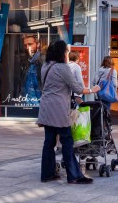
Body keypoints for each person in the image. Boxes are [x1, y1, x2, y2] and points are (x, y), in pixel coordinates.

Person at [37, 40, 98, 184]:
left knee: (49, 142)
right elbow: (76, 88)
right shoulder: (62, 68)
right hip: (59, 109)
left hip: (46, 107)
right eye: (66, 51)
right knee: (67, 141)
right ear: (62, 52)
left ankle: (47, 174)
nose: (67, 53)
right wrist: (92, 90)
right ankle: (74, 176)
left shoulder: (45, 66)